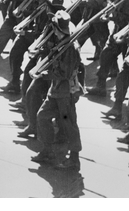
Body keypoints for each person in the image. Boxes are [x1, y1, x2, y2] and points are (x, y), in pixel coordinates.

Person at [31, 10, 83, 169]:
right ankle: (48, 150)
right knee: (42, 116)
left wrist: (44, 75)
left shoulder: (70, 48)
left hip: (66, 93)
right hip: (55, 91)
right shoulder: (60, 44)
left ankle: (74, 159)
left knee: (69, 124)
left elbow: (65, 73)